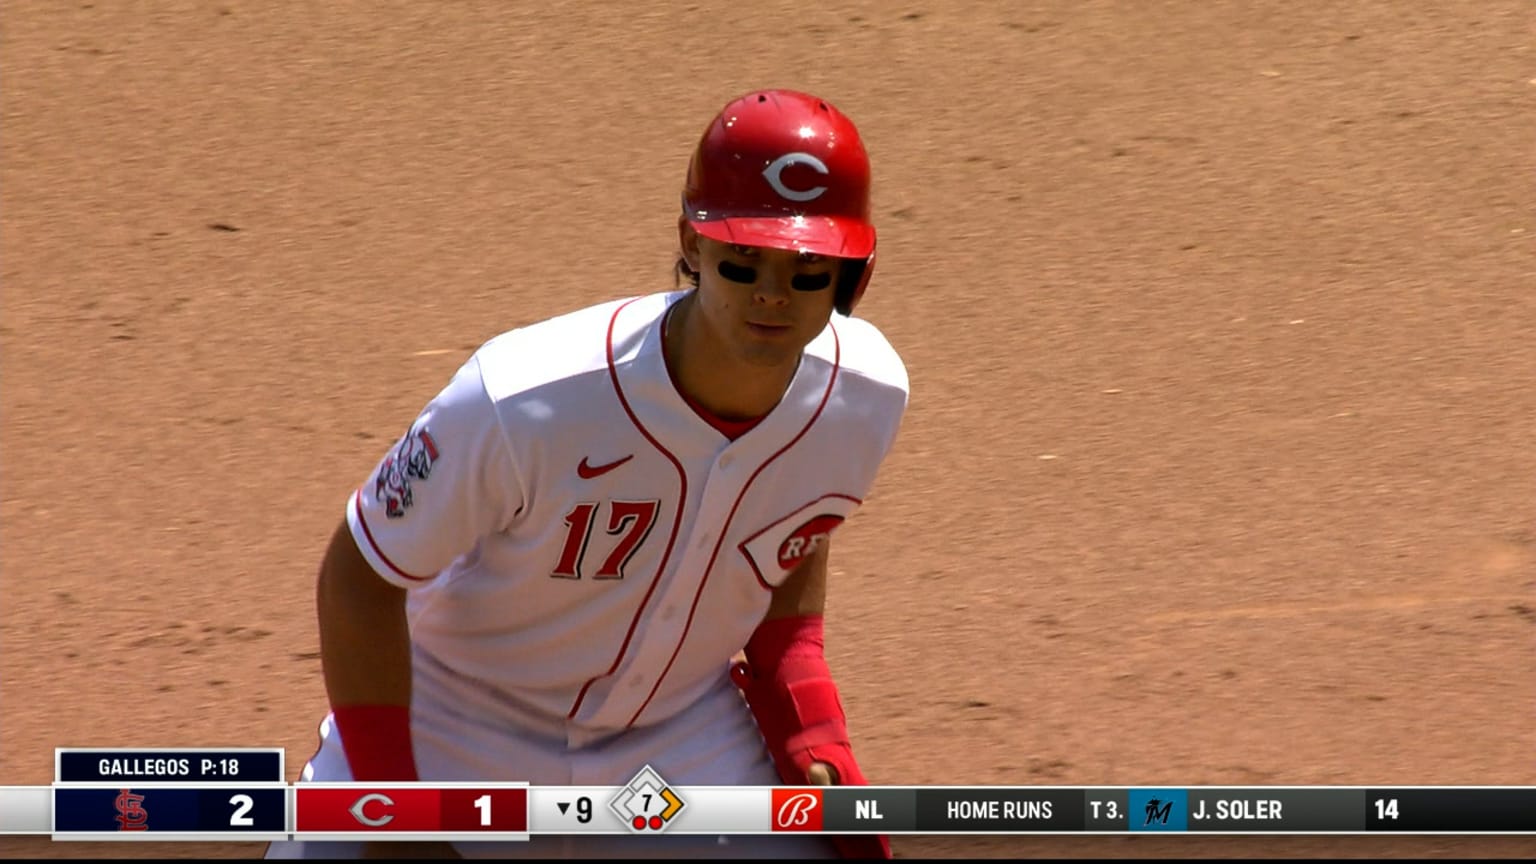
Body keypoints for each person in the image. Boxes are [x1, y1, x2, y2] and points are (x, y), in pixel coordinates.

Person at [265, 88, 908, 860]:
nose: (772, 295)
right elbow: (360, 575)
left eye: (807, 272)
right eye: (743, 263)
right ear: (692, 245)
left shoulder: (864, 397)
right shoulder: (524, 397)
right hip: (453, 726)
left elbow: (793, 525)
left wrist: (810, 718)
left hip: (670, 746)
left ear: (853, 274)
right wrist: (394, 811)